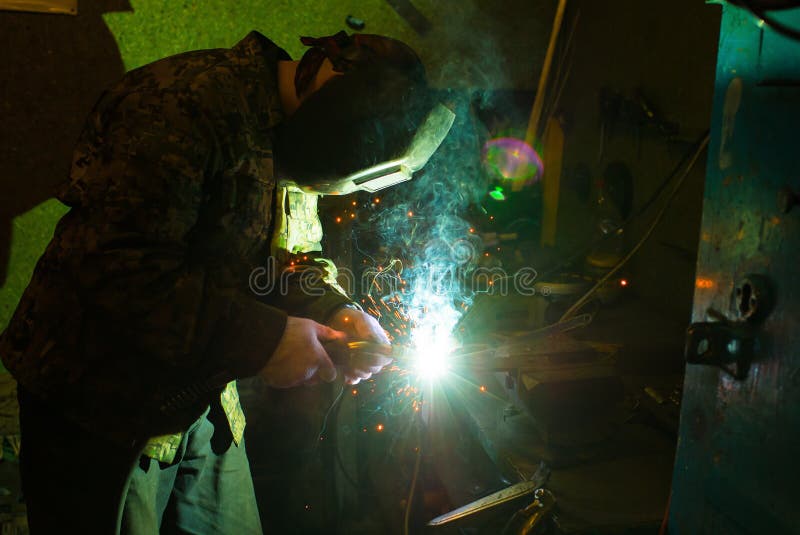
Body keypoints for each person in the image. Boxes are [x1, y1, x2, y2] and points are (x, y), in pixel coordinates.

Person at [0, 30, 448, 533]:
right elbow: (116, 269)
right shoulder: (180, 105)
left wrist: (332, 310)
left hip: (205, 402)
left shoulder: (298, 138)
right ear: (329, 79)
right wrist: (265, 339)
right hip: (101, 409)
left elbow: (293, 257)